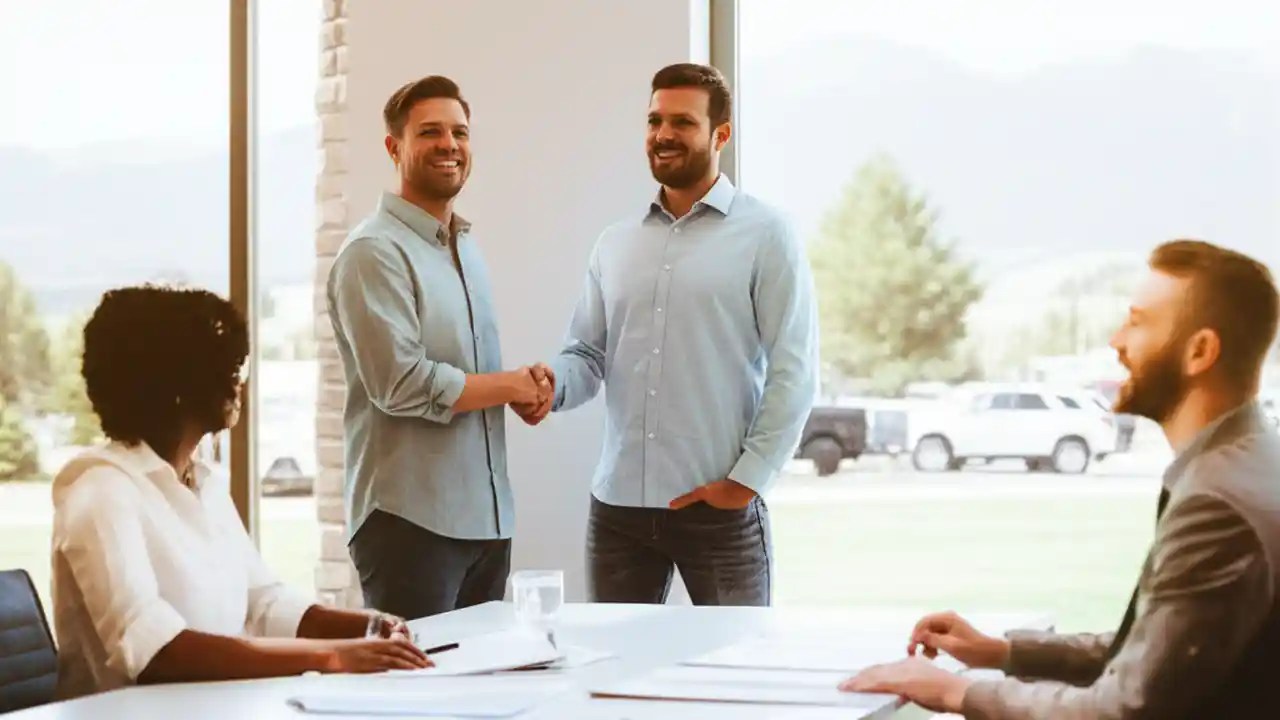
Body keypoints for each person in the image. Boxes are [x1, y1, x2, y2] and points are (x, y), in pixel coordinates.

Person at [841, 239, 1280, 719]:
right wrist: (1000, 653)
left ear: (1199, 352)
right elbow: (1156, 652)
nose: (1116, 341)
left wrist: (953, 693)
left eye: (1137, 322)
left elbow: (1125, 707)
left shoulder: (1217, 503)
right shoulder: (1248, 461)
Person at [525, 63, 819, 606]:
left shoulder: (767, 234)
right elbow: (587, 355)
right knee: (616, 675)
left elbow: (794, 371)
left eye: (681, 122)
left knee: (731, 672)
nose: (662, 134)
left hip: (720, 511)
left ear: (720, 134)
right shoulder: (615, 243)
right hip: (618, 512)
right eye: (654, 120)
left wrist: (746, 483)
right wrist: (550, 387)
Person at [50, 285, 431, 700]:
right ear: (172, 385)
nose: (239, 384)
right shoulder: (101, 493)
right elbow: (154, 651)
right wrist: (331, 657)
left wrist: (365, 626)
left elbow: (262, 603)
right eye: (229, 370)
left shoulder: (202, 483)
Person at [326, 75, 551, 621]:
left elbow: (469, 375)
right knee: (415, 701)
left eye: (460, 132)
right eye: (430, 132)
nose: (450, 144)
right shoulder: (373, 253)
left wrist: (524, 388)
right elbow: (400, 384)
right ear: (394, 147)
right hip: (410, 526)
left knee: (478, 700)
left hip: (488, 522)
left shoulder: (465, 247)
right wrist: (509, 385)